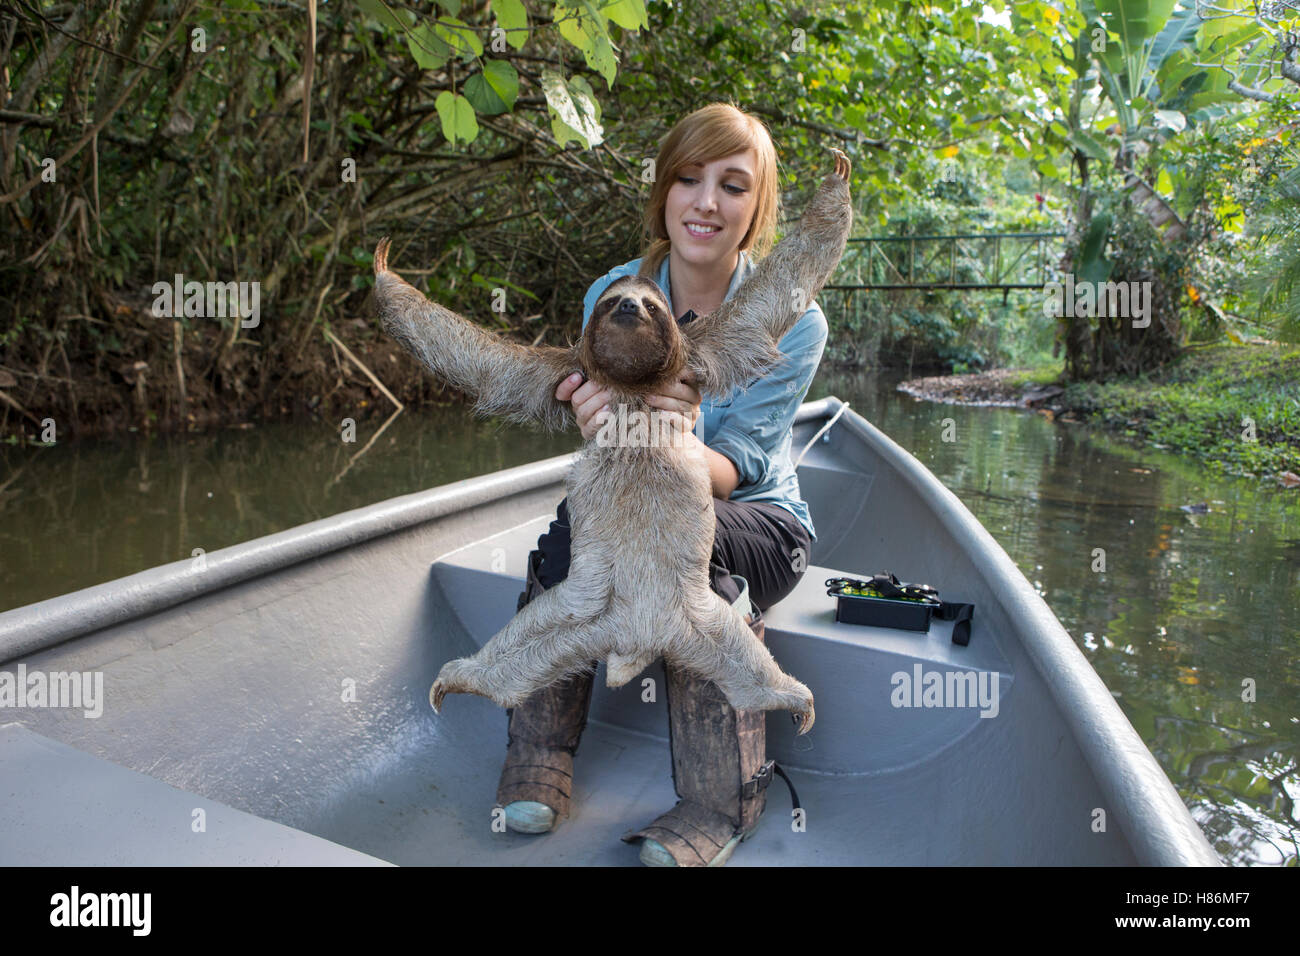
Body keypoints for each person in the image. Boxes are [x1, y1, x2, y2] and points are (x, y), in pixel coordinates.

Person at [494, 102, 829, 867]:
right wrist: (602, 429)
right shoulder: (613, 294)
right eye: (688, 178)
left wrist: (654, 438)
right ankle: (539, 755)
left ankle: (723, 802)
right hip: (640, 500)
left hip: (757, 520)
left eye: (733, 185)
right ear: (664, 193)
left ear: (758, 209)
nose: (706, 202)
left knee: (691, 541)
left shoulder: (795, 320)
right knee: (570, 533)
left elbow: (735, 465)